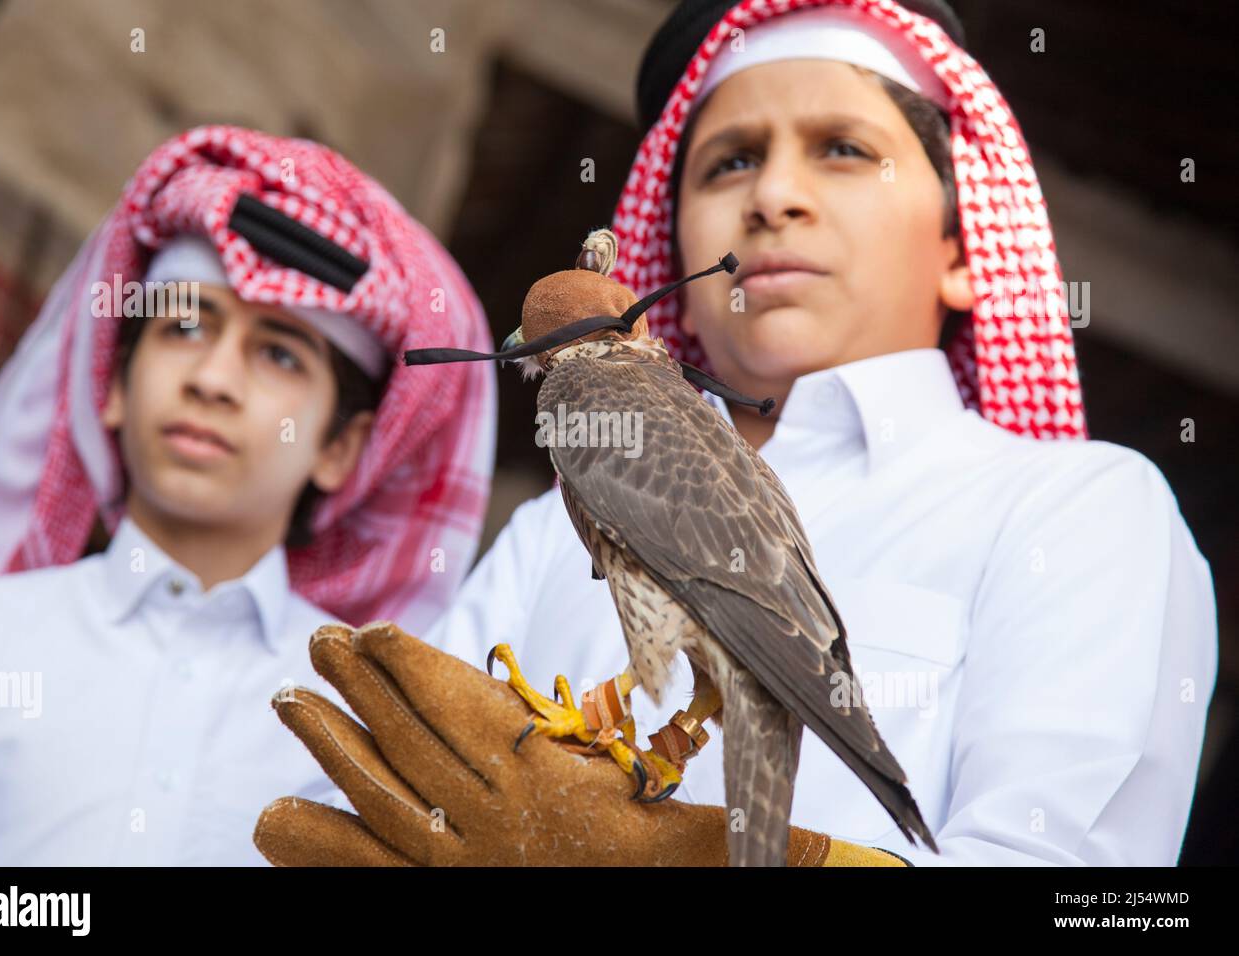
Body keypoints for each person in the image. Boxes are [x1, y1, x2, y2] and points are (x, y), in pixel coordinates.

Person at [258, 0, 1217, 866]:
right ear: (668, 245)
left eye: (843, 148)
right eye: (730, 161)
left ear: (968, 250)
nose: (773, 198)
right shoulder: (549, 533)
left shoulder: (1080, 507)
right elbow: (357, 807)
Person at [0, 125, 496, 865]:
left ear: (340, 449)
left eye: (277, 353)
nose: (212, 379)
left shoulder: (369, 731)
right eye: (185, 326)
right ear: (112, 384)